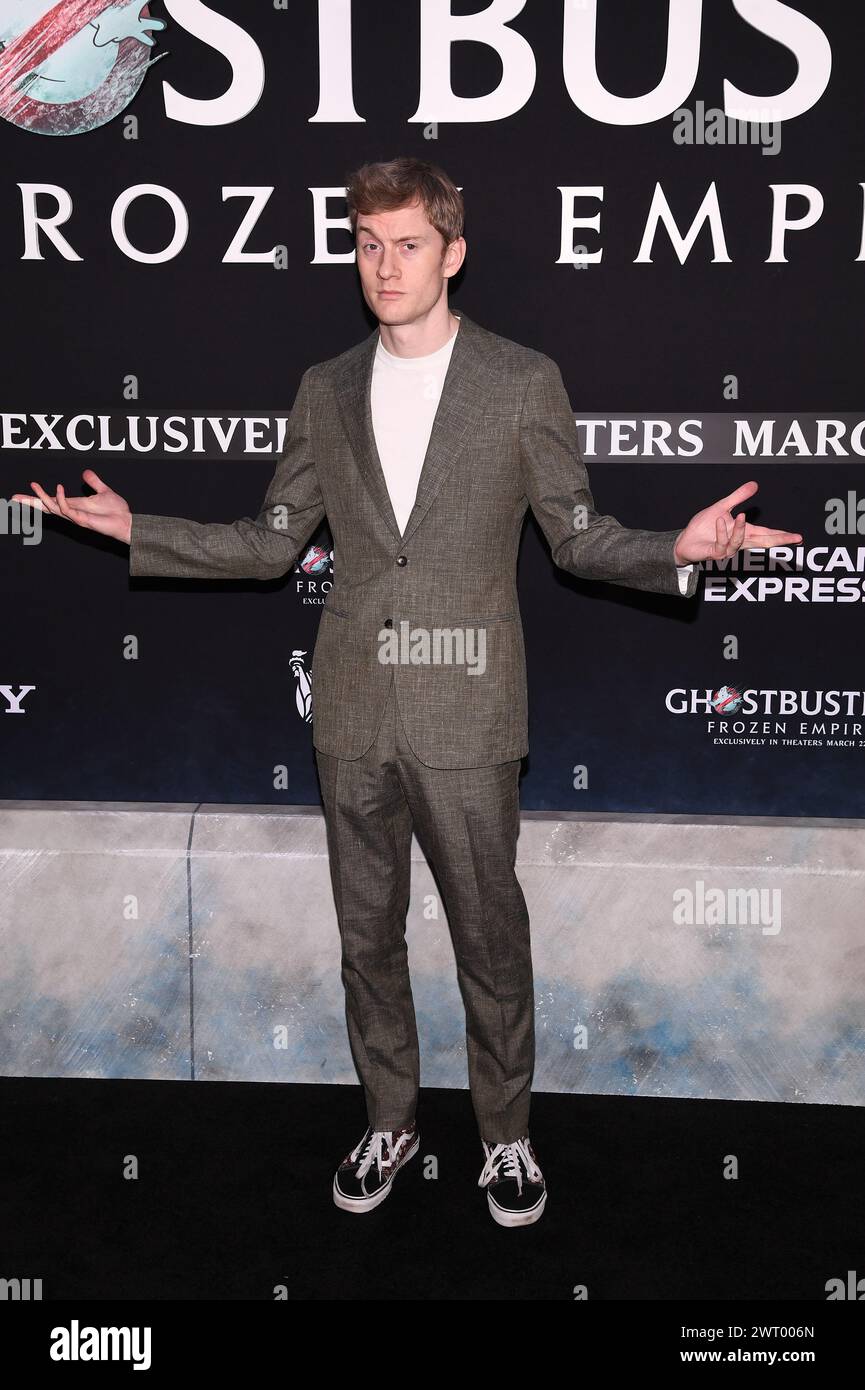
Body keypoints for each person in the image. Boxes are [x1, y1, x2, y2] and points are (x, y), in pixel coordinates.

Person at [14, 156, 802, 1229]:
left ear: (453, 253)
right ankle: (388, 1119)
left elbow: (575, 540)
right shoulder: (324, 387)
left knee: (489, 935)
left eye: (408, 245)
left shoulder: (521, 381)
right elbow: (269, 543)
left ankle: (508, 1139)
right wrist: (135, 529)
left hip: (468, 714)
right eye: (368, 245)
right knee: (364, 938)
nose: (385, 266)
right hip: (348, 712)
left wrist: (680, 548)